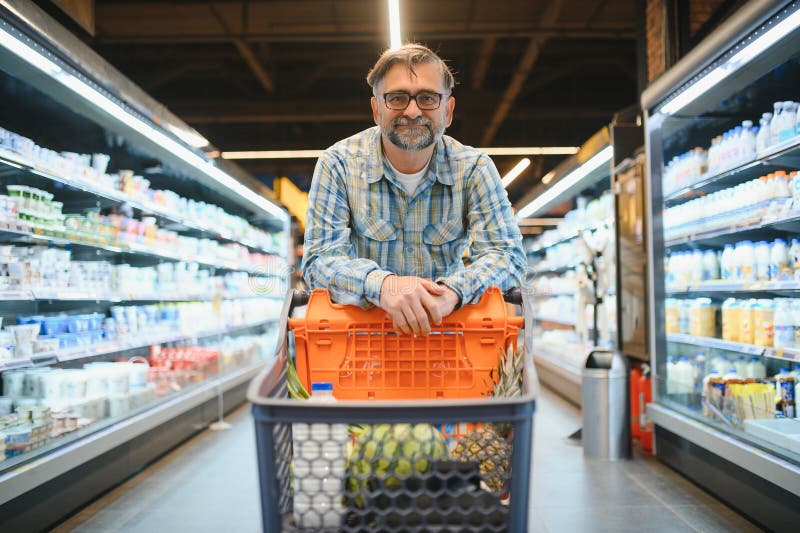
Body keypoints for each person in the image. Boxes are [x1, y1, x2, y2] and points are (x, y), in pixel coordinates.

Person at [302, 43, 526, 336]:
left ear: (448, 110)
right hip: (361, 350)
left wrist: (451, 292)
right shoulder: (339, 165)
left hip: (450, 343)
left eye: (427, 98)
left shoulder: (474, 169)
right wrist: (383, 286)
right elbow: (318, 261)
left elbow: (508, 255)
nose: (412, 111)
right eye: (397, 98)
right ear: (376, 109)